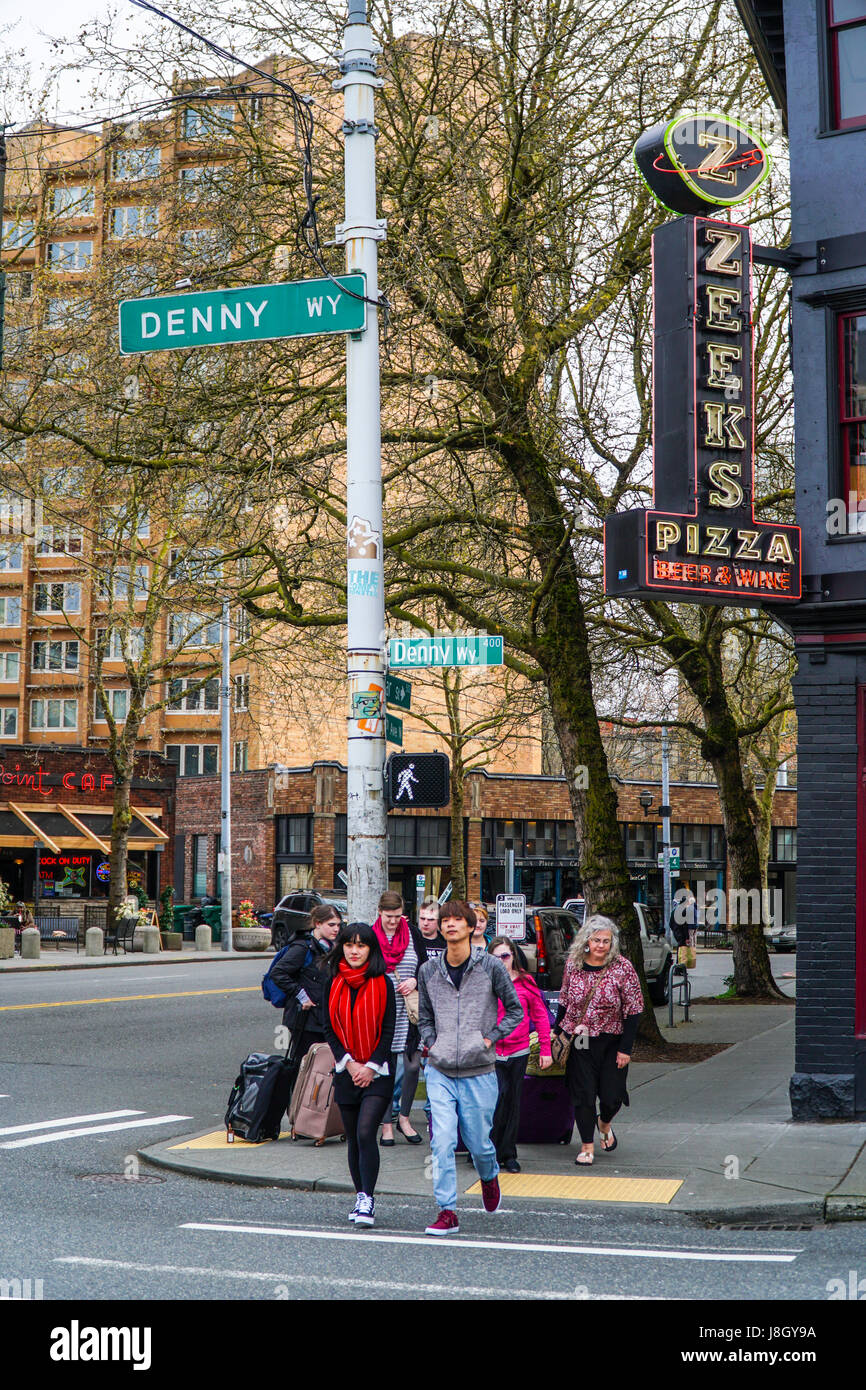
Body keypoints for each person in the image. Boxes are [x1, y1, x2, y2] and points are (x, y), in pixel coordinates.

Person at [418, 900, 523, 1234]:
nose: (449, 924)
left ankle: (488, 1175)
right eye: (444, 920)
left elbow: (516, 1010)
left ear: (470, 926)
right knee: (442, 1141)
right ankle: (447, 1209)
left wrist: (490, 1038)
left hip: (479, 1070)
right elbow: (424, 1016)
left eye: (456, 920)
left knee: (479, 1143)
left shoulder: (490, 966)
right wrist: (432, 1042)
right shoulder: (428, 970)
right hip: (440, 1069)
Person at [554, 914, 644, 1165]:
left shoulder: (623, 967)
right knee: (583, 1094)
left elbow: (634, 1009)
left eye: (606, 941)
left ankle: (604, 1123)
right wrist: (556, 1030)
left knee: (612, 1095)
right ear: (586, 941)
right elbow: (564, 999)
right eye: (596, 941)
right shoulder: (574, 965)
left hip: (612, 1039)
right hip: (580, 1039)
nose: (601, 946)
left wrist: (626, 1048)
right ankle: (586, 1146)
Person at [323, 921, 396, 1228]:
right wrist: (350, 1064)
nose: (354, 951)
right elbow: (328, 1027)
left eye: (361, 945)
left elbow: (389, 1030)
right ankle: (360, 1195)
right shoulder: (333, 980)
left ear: (371, 949)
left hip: (378, 1071)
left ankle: (368, 1200)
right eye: (349, 944)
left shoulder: (383, 982)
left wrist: (369, 1066)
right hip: (346, 1070)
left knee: (367, 1131)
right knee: (353, 1138)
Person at [487, 935, 552, 1173]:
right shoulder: (484, 981)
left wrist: (546, 1049)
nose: (501, 961)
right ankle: (488, 1151)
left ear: (513, 956)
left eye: (505, 956)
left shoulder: (525, 982)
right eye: (495, 957)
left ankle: (508, 1154)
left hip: (518, 1050)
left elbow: (540, 1015)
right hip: (491, 1051)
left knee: (513, 1103)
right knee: (496, 1100)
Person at [374, 891, 428, 1146]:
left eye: (397, 917)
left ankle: (404, 1118)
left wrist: (415, 979)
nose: (393, 922)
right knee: (386, 1068)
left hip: (410, 1007)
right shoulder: (371, 936)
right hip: (383, 1007)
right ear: (380, 913)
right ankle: (386, 1123)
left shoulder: (413, 934)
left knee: (412, 1066)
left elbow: (425, 966)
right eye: (388, 917)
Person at [268, 903, 342, 1064]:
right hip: (304, 1019)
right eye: (331, 925)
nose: (336, 929)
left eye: (338, 925)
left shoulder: (331, 948)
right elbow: (278, 973)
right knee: (303, 1065)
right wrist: (301, 995)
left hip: (323, 1018)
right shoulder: (302, 947)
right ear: (317, 924)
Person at [417, 896, 446, 963]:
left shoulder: (446, 943)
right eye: (422, 918)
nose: (425, 923)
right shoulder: (412, 941)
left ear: (439, 921)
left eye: (431, 919)